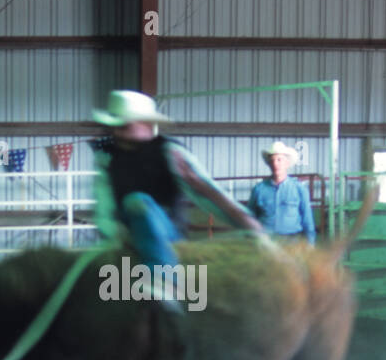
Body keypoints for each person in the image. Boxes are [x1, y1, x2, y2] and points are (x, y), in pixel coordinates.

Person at [90, 90, 266, 303]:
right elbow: (103, 204)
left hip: (169, 235)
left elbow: (206, 190)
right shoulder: (106, 157)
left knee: (137, 202)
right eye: (117, 126)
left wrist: (245, 220)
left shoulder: (170, 153)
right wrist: (114, 234)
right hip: (125, 238)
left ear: (144, 123)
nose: (117, 131)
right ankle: (158, 282)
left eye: (124, 124)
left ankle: (163, 280)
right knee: (135, 204)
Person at [248, 141, 316, 244]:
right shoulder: (259, 189)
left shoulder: (299, 189)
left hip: (292, 242)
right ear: (269, 164)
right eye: (272, 160)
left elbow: (307, 219)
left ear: (287, 163)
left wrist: (310, 244)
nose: (276, 164)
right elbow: (250, 217)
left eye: (279, 160)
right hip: (266, 243)